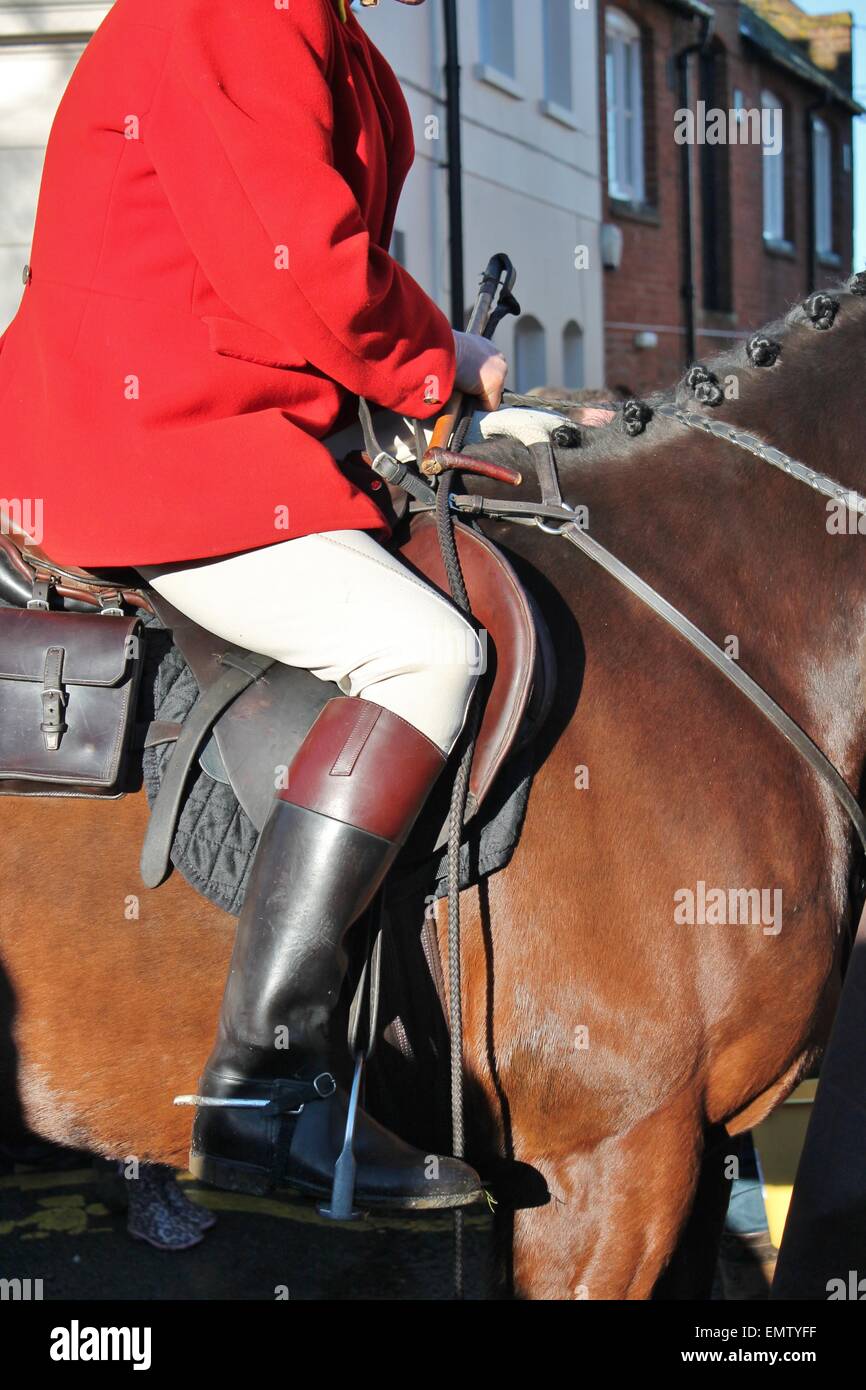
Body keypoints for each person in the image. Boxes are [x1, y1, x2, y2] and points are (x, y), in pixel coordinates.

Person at [0, 0, 508, 1206]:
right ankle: (261, 1093)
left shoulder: (318, 25)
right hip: (155, 442)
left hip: (223, 422)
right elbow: (305, 264)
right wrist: (440, 367)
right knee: (422, 653)